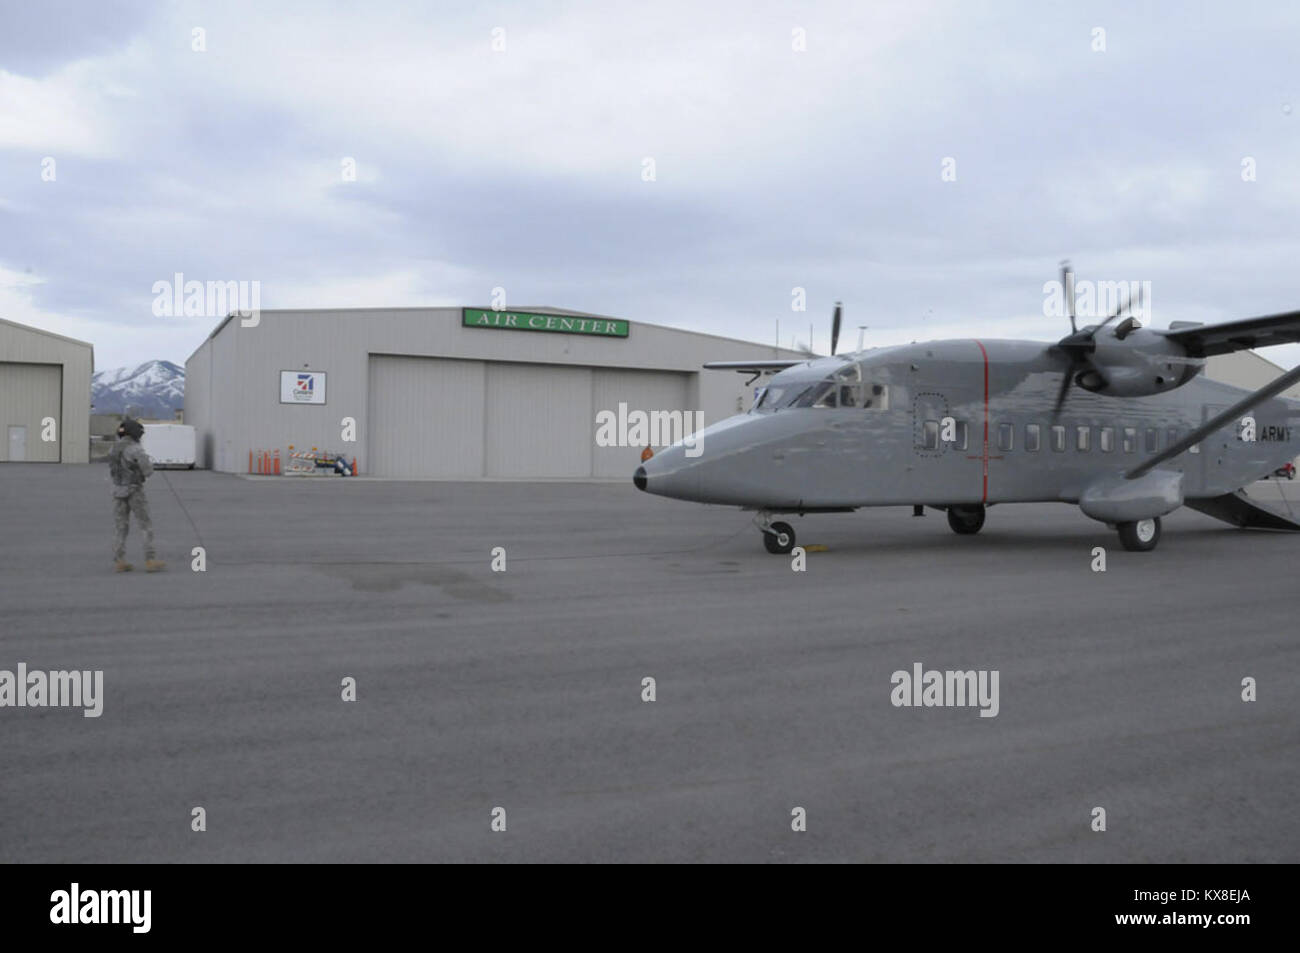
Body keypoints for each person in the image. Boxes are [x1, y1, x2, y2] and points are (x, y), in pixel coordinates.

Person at [108, 417, 165, 572]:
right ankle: (150, 559)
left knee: (121, 527)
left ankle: (119, 560)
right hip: (134, 490)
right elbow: (148, 471)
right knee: (145, 525)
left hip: (117, 490)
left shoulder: (113, 449)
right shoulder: (136, 449)